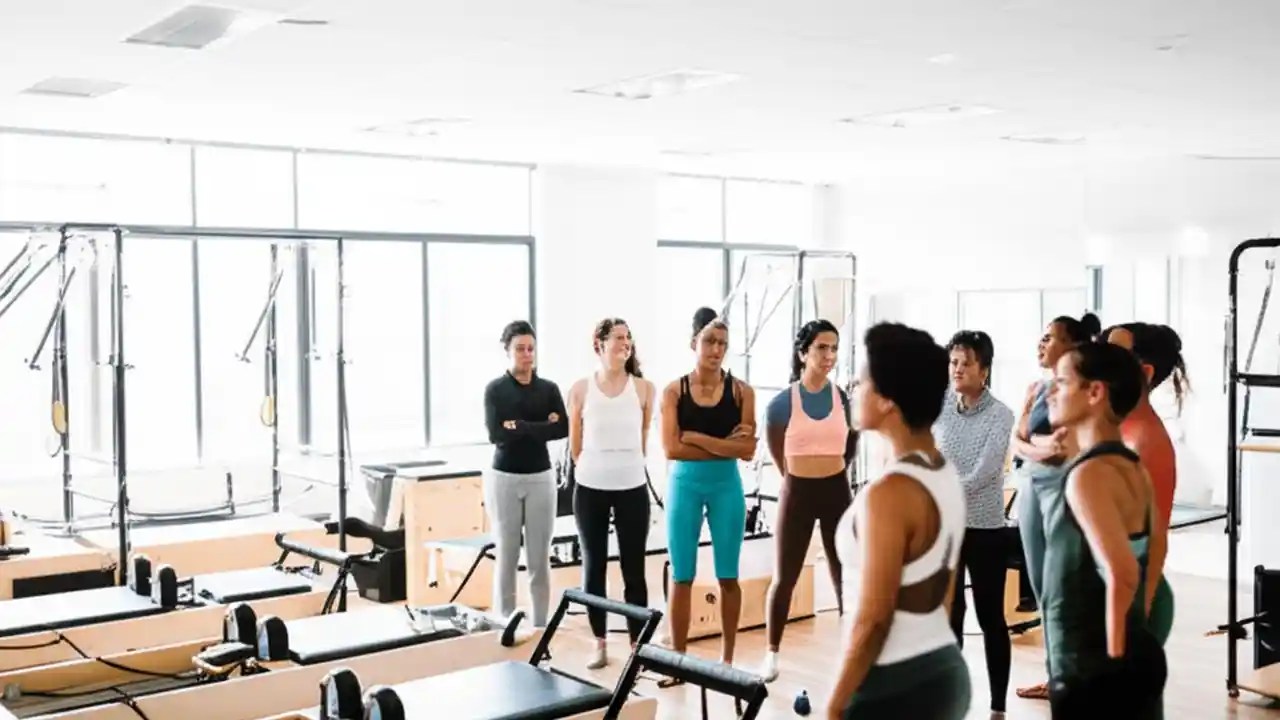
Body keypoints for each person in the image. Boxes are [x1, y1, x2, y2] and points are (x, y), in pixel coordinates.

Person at [824, 322, 970, 720]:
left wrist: (834, 707)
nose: (853, 387)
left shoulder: (889, 494)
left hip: (895, 685)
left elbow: (873, 620)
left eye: (862, 380)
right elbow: (944, 594)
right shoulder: (943, 472)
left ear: (888, 400)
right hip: (943, 668)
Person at [1041, 340, 1168, 718]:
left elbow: (1122, 570)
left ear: (1095, 392)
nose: (1051, 391)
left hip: (1092, 667)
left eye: (1062, 382)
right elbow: (1157, 547)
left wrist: (1113, 659)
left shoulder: (1088, 476)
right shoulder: (1131, 466)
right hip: (1125, 656)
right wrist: (1135, 631)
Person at [660, 307, 757, 675]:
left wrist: (697, 437)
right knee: (682, 574)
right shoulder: (674, 391)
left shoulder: (742, 392)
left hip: (726, 485)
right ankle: (679, 663)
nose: (716, 350)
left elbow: (747, 451)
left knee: (727, 575)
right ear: (693, 343)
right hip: (685, 485)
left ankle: (728, 660)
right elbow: (671, 449)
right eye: (709, 341)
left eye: (723, 344)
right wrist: (724, 443)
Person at [760, 319, 858, 683]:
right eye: (821, 347)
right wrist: (797, 478)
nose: (829, 355)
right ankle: (771, 653)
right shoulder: (781, 403)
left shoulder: (843, 399)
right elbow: (775, 450)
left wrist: (835, 471)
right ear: (803, 353)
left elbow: (852, 445)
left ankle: (852, 652)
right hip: (797, 491)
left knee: (844, 574)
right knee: (785, 577)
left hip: (836, 491)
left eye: (833, 348)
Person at [1013, 312, 1101, 701]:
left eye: (1050, 337)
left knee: (1063, 584)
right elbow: (1017, 440)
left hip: (1062, 488)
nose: (1041, 343)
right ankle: (1055, 674)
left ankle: (1076, 673)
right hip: (1030, 485)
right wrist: (1037, 449)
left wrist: (1034, 450)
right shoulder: (1036, 387)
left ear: (1074, 347)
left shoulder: (1081, 391)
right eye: (1042, 336)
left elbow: (1063, 449)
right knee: (1040, 585)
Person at [567, 317, 657, 670]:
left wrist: (625, 465)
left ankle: (638, 645)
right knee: (594, 568)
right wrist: (593, 467)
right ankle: (599, 642)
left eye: (628, 337)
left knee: (634, 569)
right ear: (599, 345)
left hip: (632, 486)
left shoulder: (645, 388)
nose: (625, 342)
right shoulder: (579, 389)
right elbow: (576, 445)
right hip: (590, 487)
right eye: (618, 337)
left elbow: (644, 436)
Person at [933, 330, 1014, 715]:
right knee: (950, 615)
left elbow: (985, 471)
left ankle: (997, 705)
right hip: (947, 528)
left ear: (985, 369)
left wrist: (941, 490)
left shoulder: (1001, 414)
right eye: (954, 362)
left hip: (985, 529)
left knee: (989, 617)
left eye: (966, 363)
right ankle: (953, 699)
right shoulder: (941, 406)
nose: (958, 369)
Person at [1106, 321, 1191, 646]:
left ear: (1145, 372)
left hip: (1136, 599)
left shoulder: (1147, 440)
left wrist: (1134, 618)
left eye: (1114, 353)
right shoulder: (1116, 428)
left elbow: (1154, 539)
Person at [482, 321, 568, 628]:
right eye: (520, 349)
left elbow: (562, 427)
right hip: (504, 478)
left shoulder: (548, 389)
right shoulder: (495, 390)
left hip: (540, 478)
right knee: (506, 554)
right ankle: (503, 624)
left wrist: (520, 426)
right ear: (508, 351)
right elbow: (496, 434)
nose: (527, 354)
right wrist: (541, 426)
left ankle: (540, 627)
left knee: (538, 558)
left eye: (531, 348)